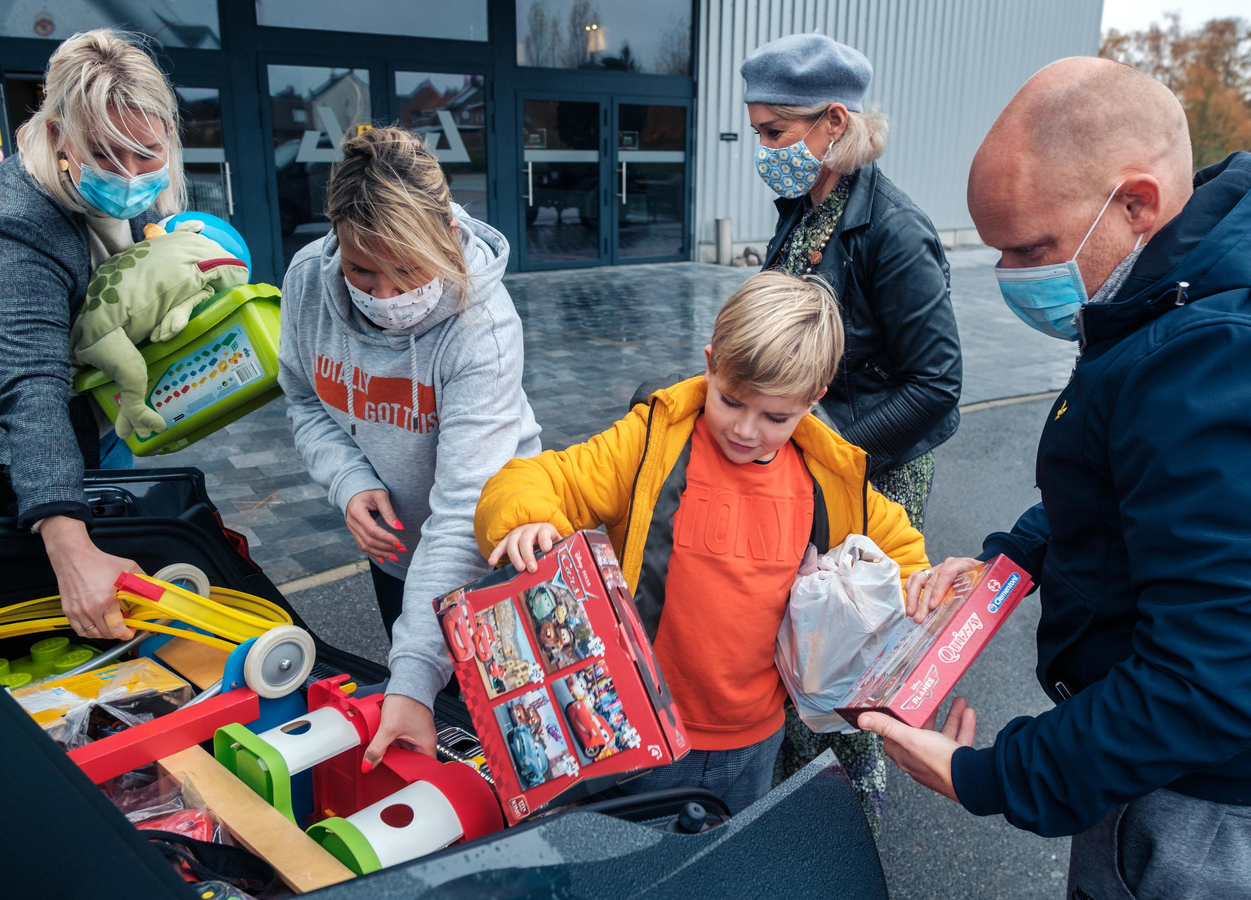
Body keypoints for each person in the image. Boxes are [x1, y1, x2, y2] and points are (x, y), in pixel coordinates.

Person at [860, 57, 1251, 898]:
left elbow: (1211, 677)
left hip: (1208, 806)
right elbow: (1133, 495)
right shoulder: (1178, 297)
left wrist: (993, 776)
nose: (1013, 276)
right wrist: (1012, 559)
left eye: (1032, 248)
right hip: (1161, 765)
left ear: (1135, 203)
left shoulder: (1211, 357)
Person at [475, 270, 929, 814]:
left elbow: (900, 551)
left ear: (813, 401)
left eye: (775, 416)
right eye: (731, 401)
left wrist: (917, 596)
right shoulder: (651, 444)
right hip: (637, 728)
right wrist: (527, 519)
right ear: (710, 364)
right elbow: (533, 479)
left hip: (756, 739)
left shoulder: (827, 476)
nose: (745, 429)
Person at [741, 32, 963, 832]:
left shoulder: (894, 231)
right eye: (758, 131)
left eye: (774, 132)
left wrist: (832, 454)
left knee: (849, 658)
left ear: (833, 121)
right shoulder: (805, 211)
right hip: (801, 459)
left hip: (869, 471)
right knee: (796, 633)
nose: (763, 149)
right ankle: (793, 799)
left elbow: (939, 387)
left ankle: (843, 817)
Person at [277, 126, 542, 766]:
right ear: (335, 238)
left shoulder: (484, 328)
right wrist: (349, 481)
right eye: (363, 270)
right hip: (398, 543)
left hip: (493, 546)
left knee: (513, 726)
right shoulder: (308, 282)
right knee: (435, 728)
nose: (386, 296)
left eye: (408, 270)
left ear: (447, 237)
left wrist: (414, 676)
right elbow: (304, 397)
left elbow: (460, 513)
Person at [0, 29, 186, 641]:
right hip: (5, 448)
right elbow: (32, 384)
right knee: (44, 620)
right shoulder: (13, 220)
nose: (129, 175)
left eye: (146, 153)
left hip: (93, 420)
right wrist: (68, 543)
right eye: (105, 154)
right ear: (57, 136)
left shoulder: (141, 194)